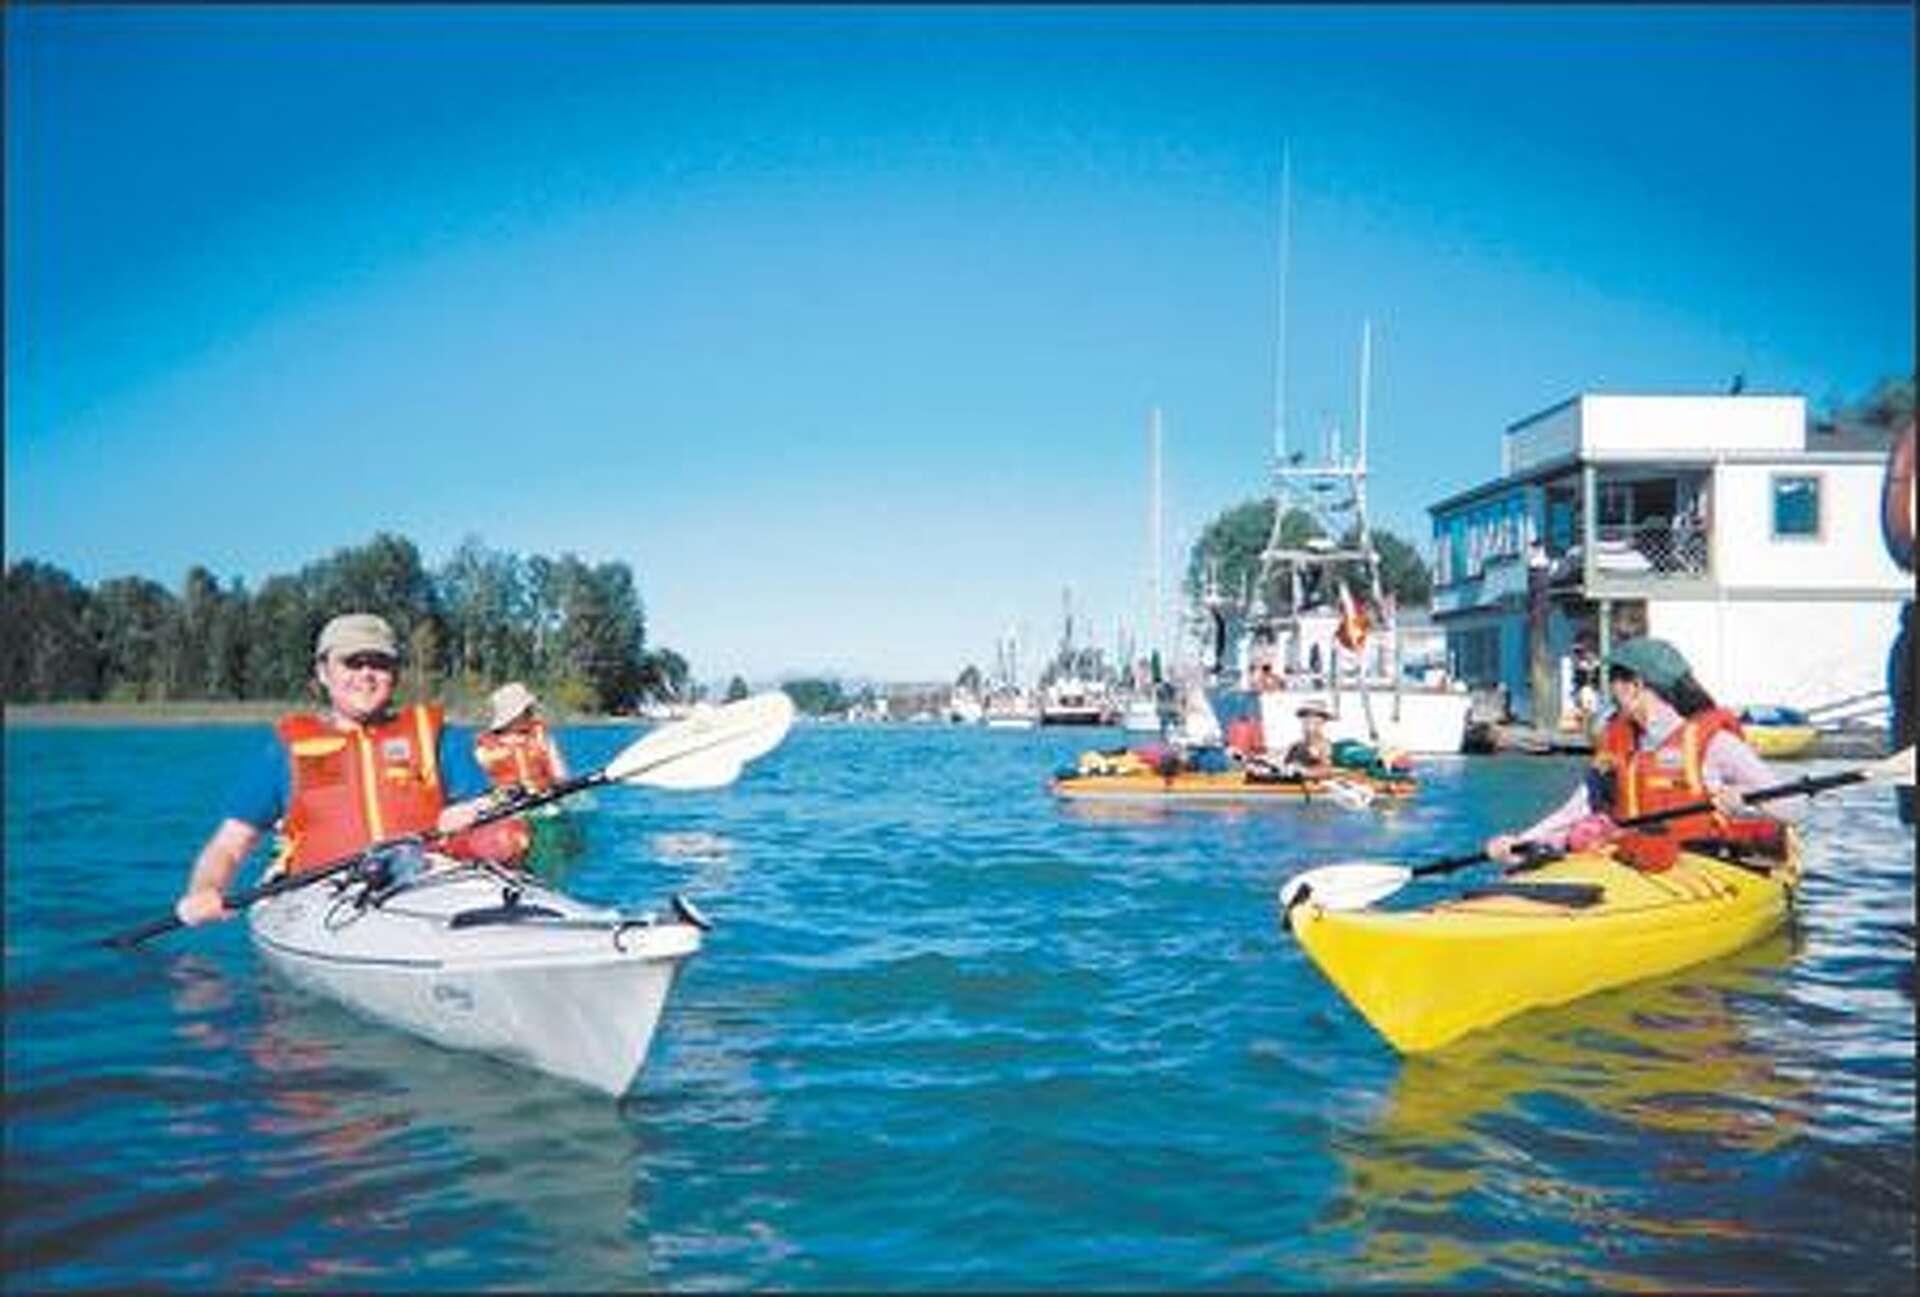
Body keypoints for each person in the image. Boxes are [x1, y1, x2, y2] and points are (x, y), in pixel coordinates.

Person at [173, 613, 521, 927]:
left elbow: (489, 809)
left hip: (428, 883)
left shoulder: (438, 739)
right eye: (352, 663)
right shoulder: (285, 751)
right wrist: (205, 889)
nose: (366, 675)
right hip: (321, 898)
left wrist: (473, 814)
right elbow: (230, 845)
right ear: (323, 672)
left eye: (379, 664)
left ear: (395, 674)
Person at [1485, 636, 1789, 873]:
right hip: (1634, 857)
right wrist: (1522, 841)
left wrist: (1746, 795)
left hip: (1703, 860)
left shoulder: (1714, 743)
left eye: (1611, 682)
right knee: (1579, 835)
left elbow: (1794, 806)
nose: (1608, 692)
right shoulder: (1618, 742)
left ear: (1635, 686)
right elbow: (1578, 807)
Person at [474, 681, 572, 794]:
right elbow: (486, 773)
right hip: (506, 800)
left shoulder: (541, 736)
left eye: (530, 710)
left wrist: (560, 786)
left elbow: (561, 773)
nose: (532, 714)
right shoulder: (486, 747)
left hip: (544, 794)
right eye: (527, 711)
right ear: (512, 717)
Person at [1281, 700, 1338, 779]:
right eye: (1304, 717)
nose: (1307, 720)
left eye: (1313, 717)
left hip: (1313, 784)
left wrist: (1303, 772)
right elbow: (1284, 764)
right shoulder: (1295, 745)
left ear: (1323, 722)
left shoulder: (1324, 745)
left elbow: (1327, 770)